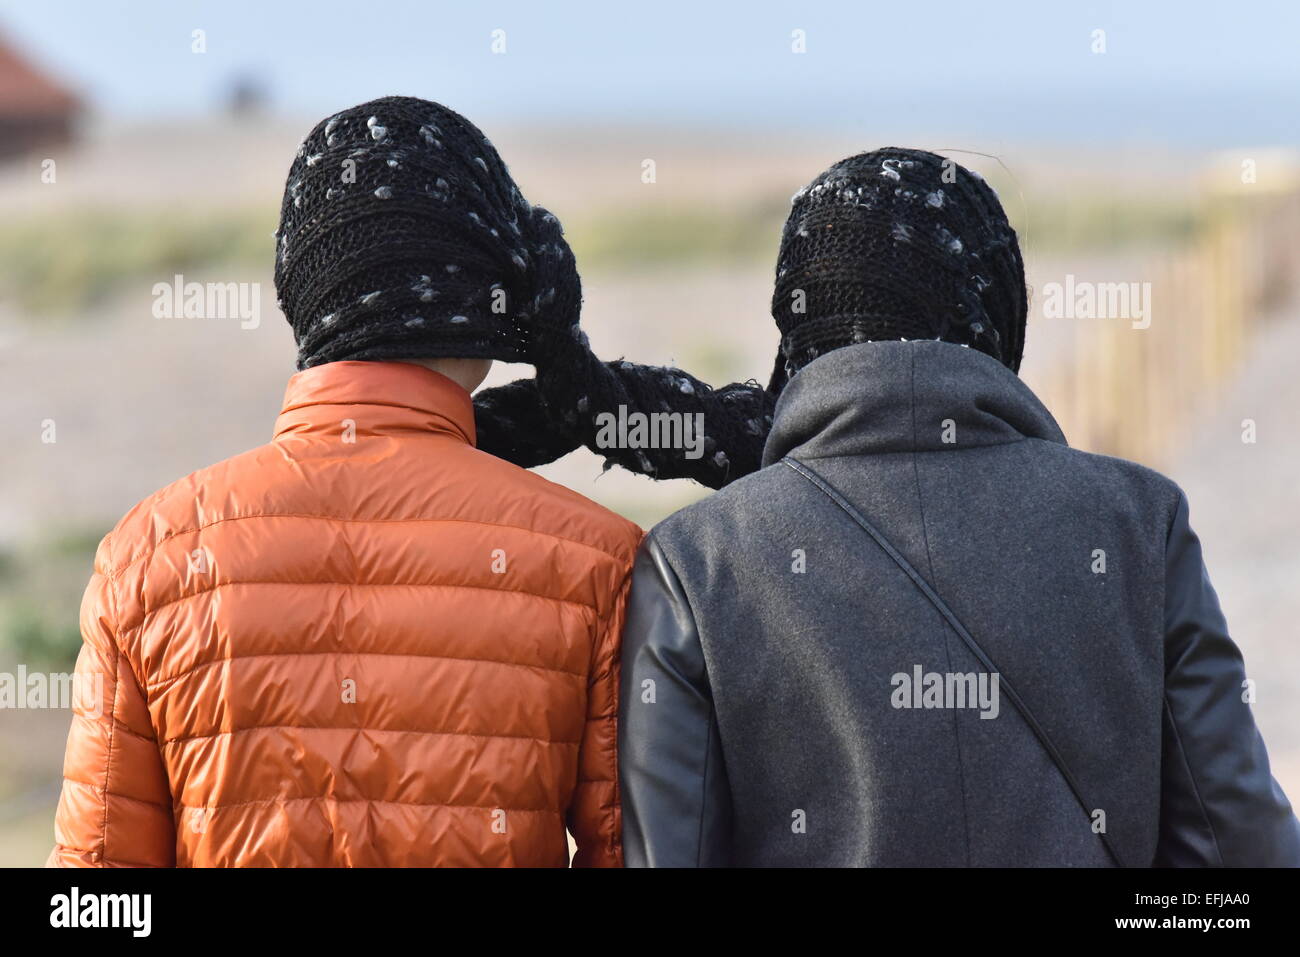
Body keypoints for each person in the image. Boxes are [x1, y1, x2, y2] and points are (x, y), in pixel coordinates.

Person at [488, 147, 1300, 866]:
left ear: (796, 335)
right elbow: (1241, 849)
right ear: (995, 313)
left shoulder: (696, 564)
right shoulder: (1139, 522)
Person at [47, 96, 645, 867]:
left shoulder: (147, 559)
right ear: (484, 295)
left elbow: (96, 888)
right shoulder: (599, 562)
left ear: (303, 293)